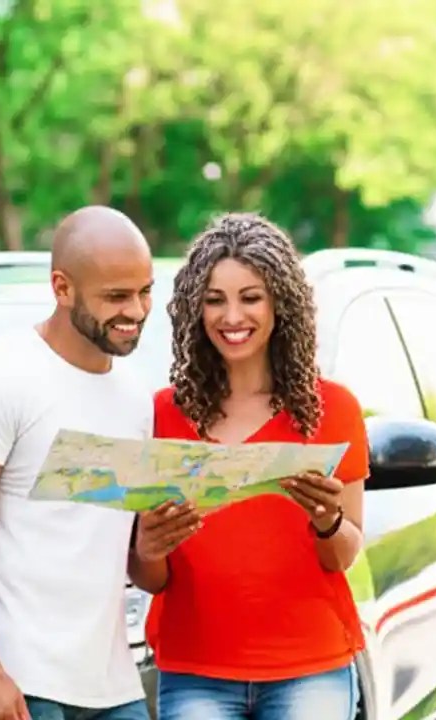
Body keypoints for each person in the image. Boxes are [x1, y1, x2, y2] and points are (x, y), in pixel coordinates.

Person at [0, 205, 202, 720]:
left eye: (145, 291)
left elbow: (134, 565)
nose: (137, 311)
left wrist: (151, 544)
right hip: (14, 679)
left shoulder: (134, 399)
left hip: (107, 683)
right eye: (116, 297)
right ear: (62, 287)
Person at [127, 212, 372, 720]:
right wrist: (148, 547)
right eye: (214, 299)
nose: (231, 316)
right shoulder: (160, 415)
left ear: (280, 303)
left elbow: (343, 555)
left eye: (250, 297)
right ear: (195, 310)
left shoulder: (333, 409)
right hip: (196, 672)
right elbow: (151, 577)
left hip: (311, 668)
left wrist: (326, 520)